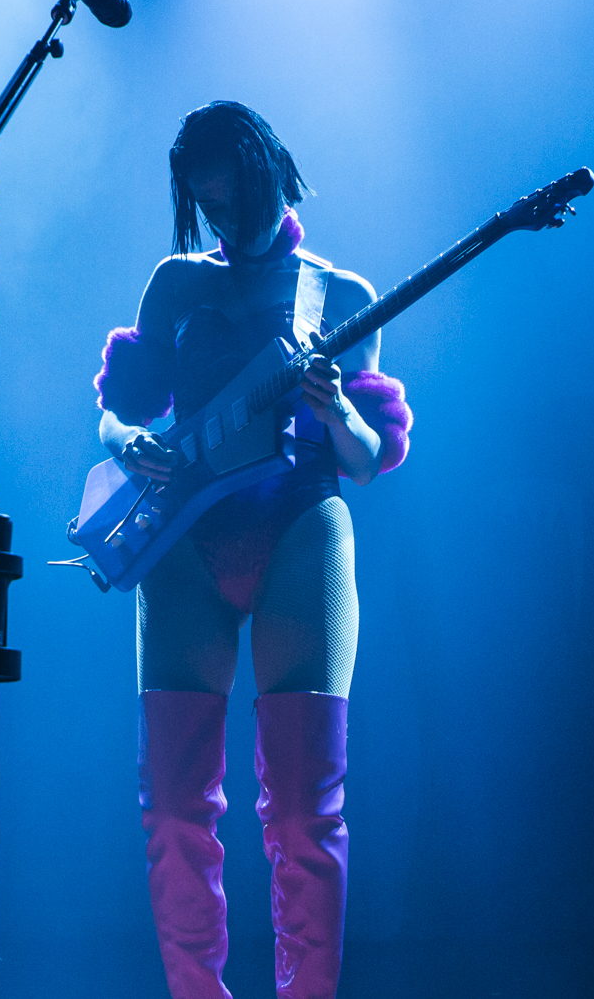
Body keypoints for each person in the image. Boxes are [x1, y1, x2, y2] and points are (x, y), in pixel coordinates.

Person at [92, 102, 413, 999]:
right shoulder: (177, 284)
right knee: (174, 810)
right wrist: (126, 443)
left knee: (309, 813)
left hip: (301, 528)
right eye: (209, 208)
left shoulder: (339, 295)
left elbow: (365, 458)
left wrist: (337, 410)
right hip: (187, 541)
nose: (227, 222)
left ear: (273, 173)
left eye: (236, 199)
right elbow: (119, 408)